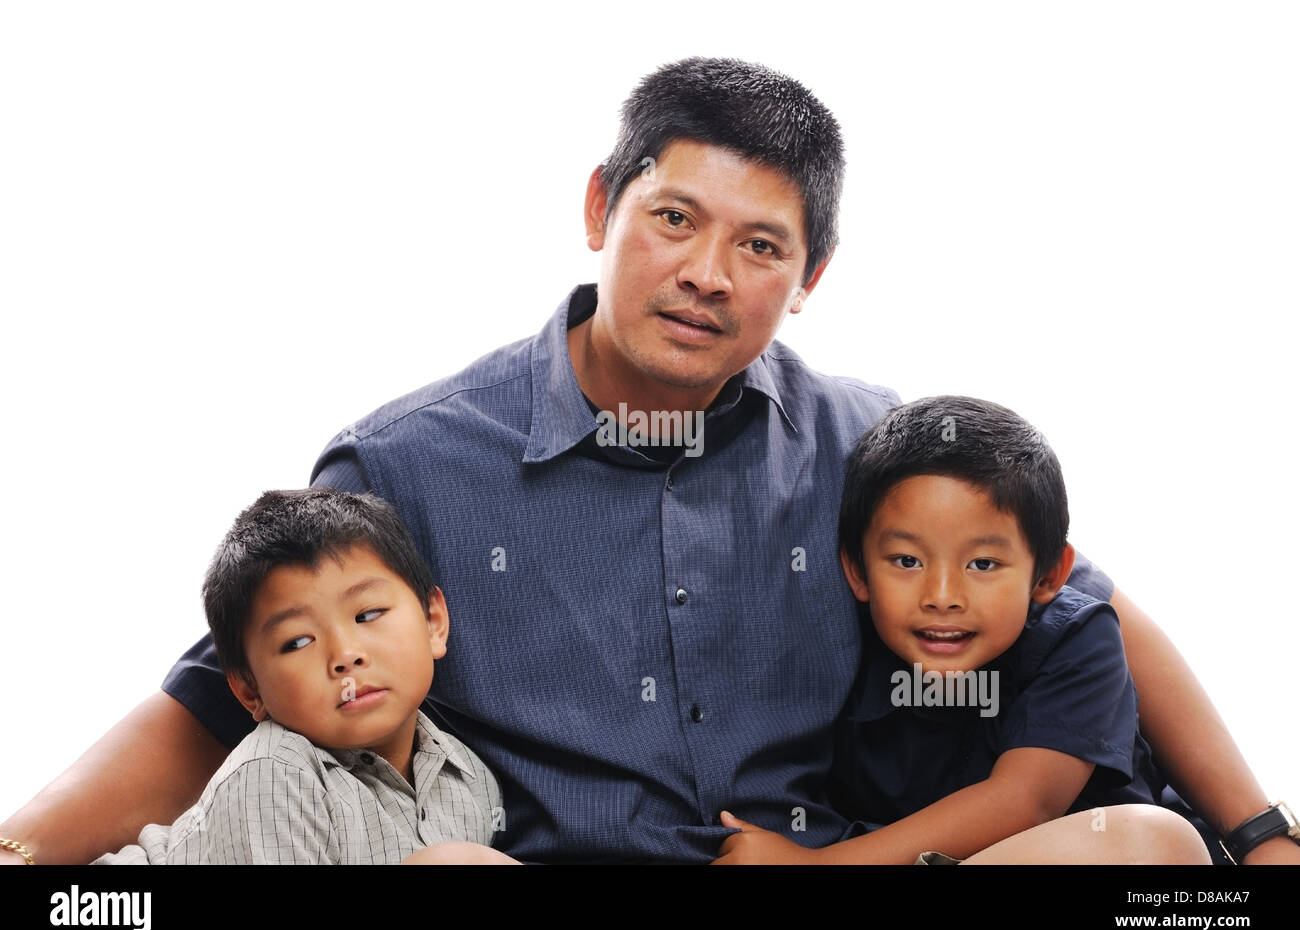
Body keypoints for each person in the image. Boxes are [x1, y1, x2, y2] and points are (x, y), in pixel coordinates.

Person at [3, 57, 1295, 866]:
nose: (705, 275)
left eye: (760, 247)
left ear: (811, 279)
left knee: (1151, 853)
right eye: (672, 220)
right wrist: (23, 846)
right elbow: (231, 691)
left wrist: (1263, 833)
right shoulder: (413, 458)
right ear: (599, 209)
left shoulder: (868, 445)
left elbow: (1088, 610)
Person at [715, 396, 1212, 864]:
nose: (942, 595)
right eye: (907, 561)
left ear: (1048, 575)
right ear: (858, 572)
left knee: (1157, 840)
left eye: (983, 563)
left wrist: (816, 864)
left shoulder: (1078, 639)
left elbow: (1025, 801)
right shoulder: (843, 644)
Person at [94, 488, 508, 864]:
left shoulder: (470, 777)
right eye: (297, 642)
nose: (346, 656)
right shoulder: (274, 773)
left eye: (368, 615)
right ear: (249, 690)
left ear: (433, 622)